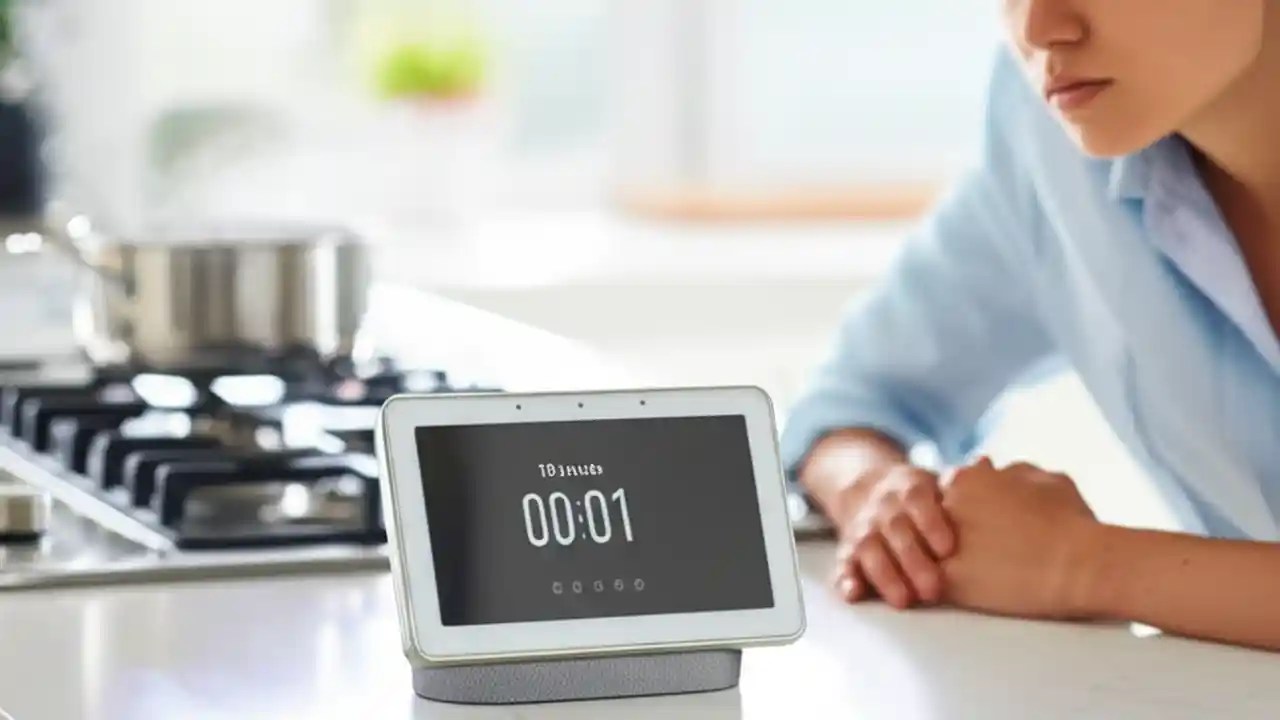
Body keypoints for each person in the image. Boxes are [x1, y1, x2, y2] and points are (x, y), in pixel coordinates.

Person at [781, 0, 1280, 652]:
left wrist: (1081, 564)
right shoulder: (1050, 131)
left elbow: (1071, 564)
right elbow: (855, 401)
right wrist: (884, 502)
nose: (1040, 29)